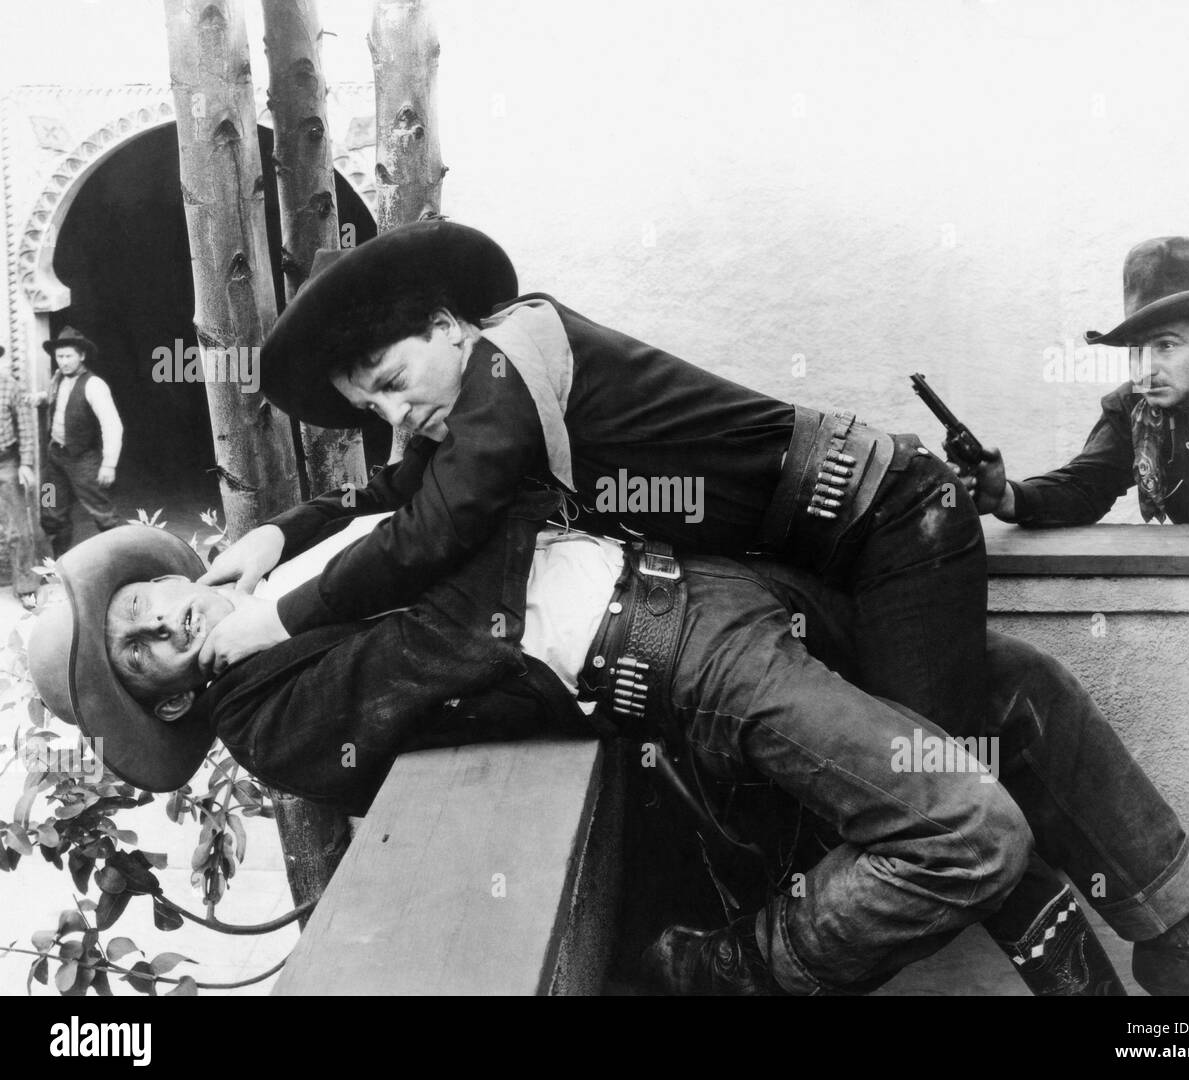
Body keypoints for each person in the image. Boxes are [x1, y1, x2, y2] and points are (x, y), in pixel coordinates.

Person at [28, 509, 1189, 996]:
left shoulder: (261, 589)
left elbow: (406, 518)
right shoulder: (277, 713)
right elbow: (454, 627)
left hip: (712, 613)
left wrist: (287, 536)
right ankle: (737, 972)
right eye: (140, 648)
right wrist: (456, 513)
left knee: (1015, 691)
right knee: (965, 819)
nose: (161, 615)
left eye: (147, 598)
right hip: (683, 732)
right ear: (168, 700)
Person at [198, 221, 989, 755]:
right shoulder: (479, 405)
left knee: (932, 786)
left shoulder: (510, 353)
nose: (398, 416)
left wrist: (278, 619)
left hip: (895, 519)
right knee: (905, 772)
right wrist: (277, 534)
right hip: (828, 547)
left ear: (447, 326)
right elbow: (392, 490)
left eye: (395, 383)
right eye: (374, 408)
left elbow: (434, 526)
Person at [957, 236, 1189, 529]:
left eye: (1166, 346)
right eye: (1136, 351)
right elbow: (1085, 486)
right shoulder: (1134, 407)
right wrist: (1005, 497)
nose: (1144, 370)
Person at [28, 326, 125, 556]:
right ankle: (57, 566)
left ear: (81, 355)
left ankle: (128, 561)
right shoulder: (58, 379)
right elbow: (53, 398)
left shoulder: (94, 385)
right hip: (54, 460)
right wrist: (39, 398)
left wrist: (109, 463)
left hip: (83, 461)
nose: (63, 362)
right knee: (50, 508)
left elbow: (112, 425)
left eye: (68, 356)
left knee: (103, 513)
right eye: (59, 357)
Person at [0, 344, 40, 607]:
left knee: (18, 529)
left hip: (7, 462)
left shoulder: (9, 385)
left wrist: (26, 463)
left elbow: (25, 427)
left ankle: (25, 585)